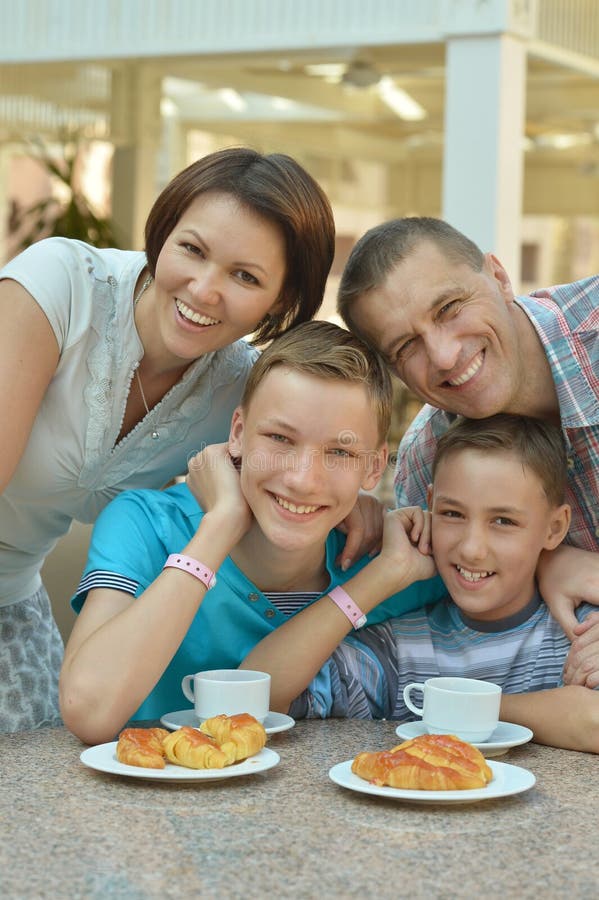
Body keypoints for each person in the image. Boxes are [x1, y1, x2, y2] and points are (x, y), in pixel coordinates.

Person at [0, 146, 342, 732]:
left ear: (282, 301)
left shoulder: (238, 392)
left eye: (245, 276)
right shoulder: (59, 286)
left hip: (12, 597)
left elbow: (303, 465)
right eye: (193, 249)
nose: (204, 290)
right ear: (163, 235)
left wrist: (356, 509)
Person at [59, 321, 446, 745]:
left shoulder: (395, 564)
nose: (302, 480)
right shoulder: (145, 524)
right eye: (280, 438)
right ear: (238, 434)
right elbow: (89, 712)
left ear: (373, 467)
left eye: (339, 451)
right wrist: (220, 524)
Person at [243, 414, 599, 753]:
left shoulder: (581, 631)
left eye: (503, 521)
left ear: (554, 528)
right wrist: (387, 572)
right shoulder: (400, 648)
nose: (472, 549)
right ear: (429, 506)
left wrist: (459, 707)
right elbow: (256, 697)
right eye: (452, 514)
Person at [336, 216, 599, 639]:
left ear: (499, 277)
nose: (443, 356)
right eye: (406, 346)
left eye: (449, 309)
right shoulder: (426, 462)